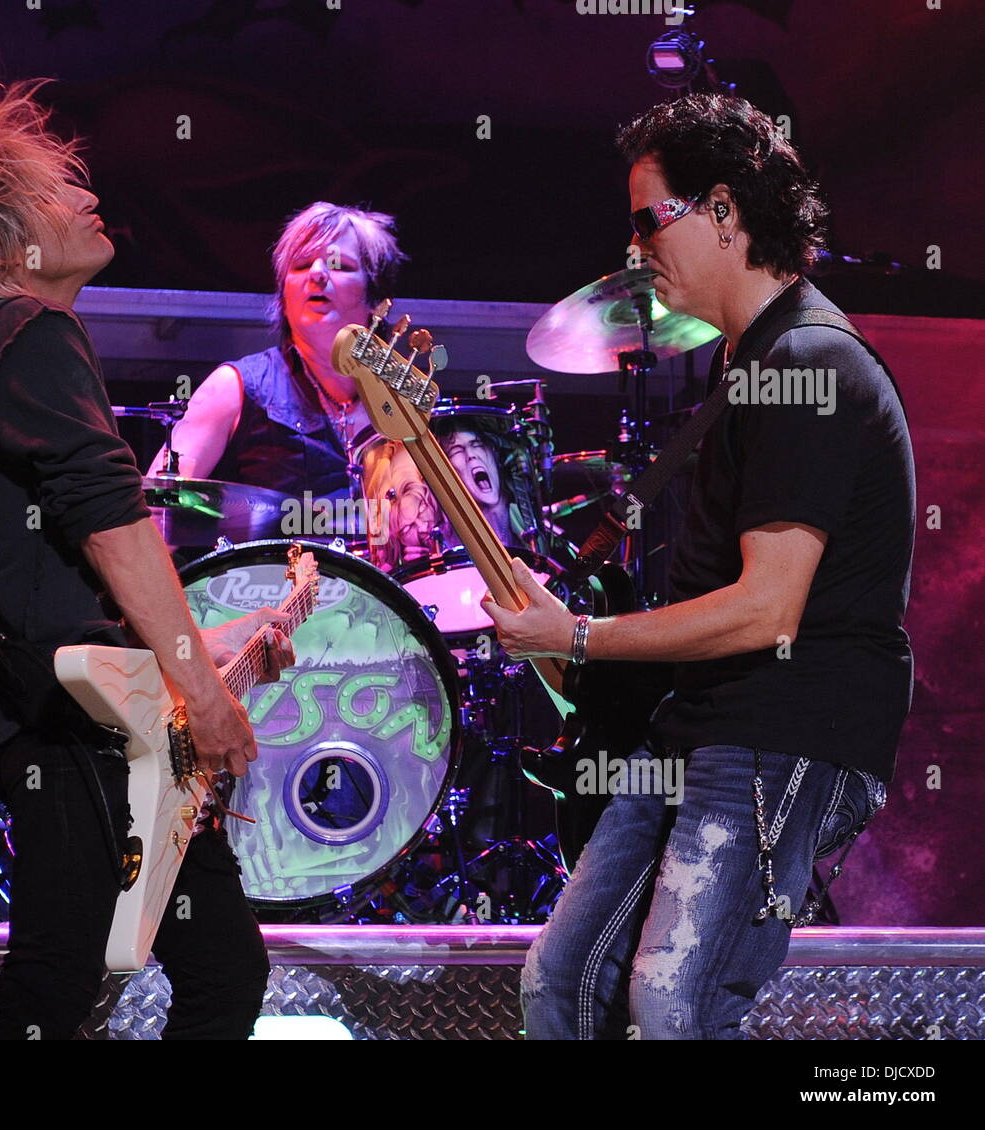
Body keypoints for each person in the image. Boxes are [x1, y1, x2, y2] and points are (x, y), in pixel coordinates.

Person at [0, 78, 295, 1040]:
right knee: (64, 989)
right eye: (57, 191)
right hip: (78, 726)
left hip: (53, 714)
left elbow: (49, 582)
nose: (88, 198)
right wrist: (208, 693)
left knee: (203, 969)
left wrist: (214, 640)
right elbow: (112, 521)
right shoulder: (31, 331)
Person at [484, 92, 914, 1040]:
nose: (636, 250)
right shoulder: (747, 367)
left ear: (723, 210)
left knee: (673, 1005)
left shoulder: (809, 363)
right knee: (560, 982)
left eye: (650, 220)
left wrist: (582, 636)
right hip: (701, 720)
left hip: (783, 727)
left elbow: (768, 610)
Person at [147, 202, 407, 523]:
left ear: (376, 299)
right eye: (300, 266)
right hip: (269, 572)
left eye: (339, 265)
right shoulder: (235, 386)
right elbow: (157, 514)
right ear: (284, 298)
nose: (317, 274)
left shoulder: (406, 399)